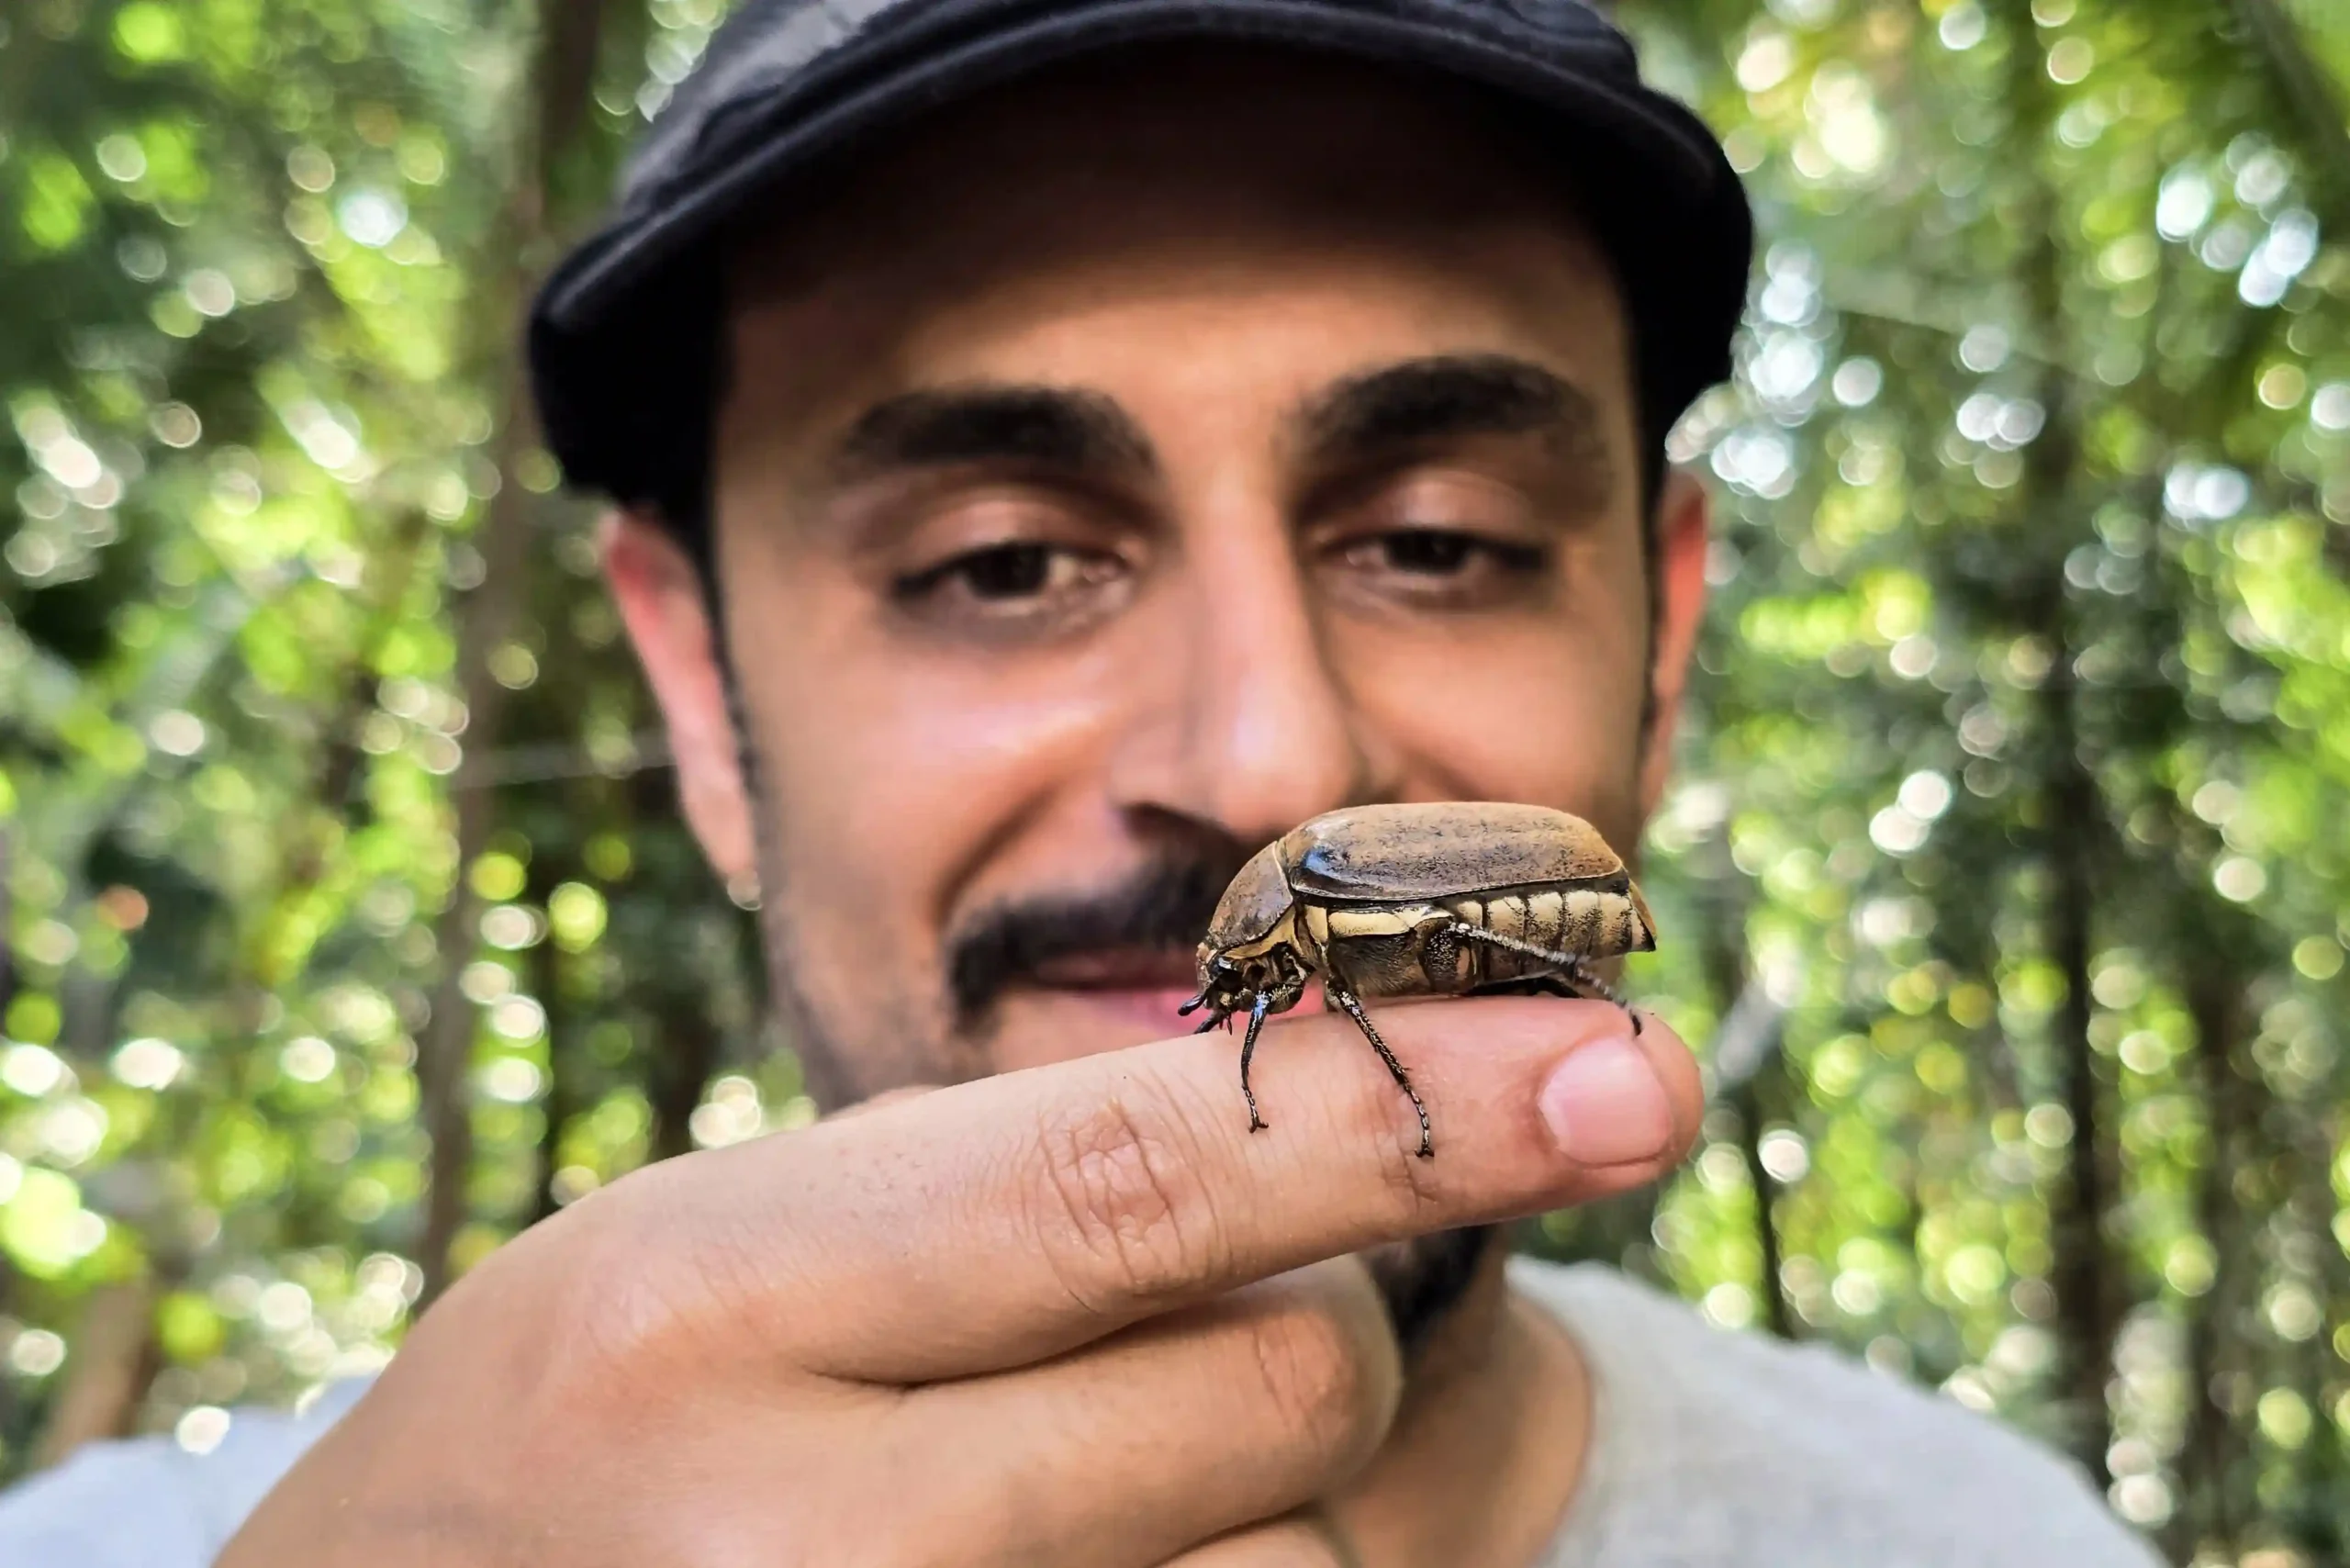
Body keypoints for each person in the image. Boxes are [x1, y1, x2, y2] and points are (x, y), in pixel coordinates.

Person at [1, 2, 2164, 1563]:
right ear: (696, 686)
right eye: (1000, 563)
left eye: (1436, 541)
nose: (1259, 758)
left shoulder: (1984, 1533)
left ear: (1663, 646)